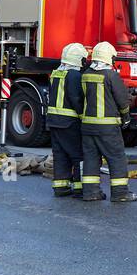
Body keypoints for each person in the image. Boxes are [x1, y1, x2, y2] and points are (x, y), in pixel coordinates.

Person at [80, 41, 137, 203]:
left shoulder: (85, 74)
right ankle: (120, 193)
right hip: (108, 127)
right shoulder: (111, 75)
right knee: (116, 157)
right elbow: (122, 100)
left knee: (91, 159)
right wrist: (126, 117)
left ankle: (90, 192)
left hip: (88, 126)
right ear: (109, 58)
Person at [46, 42, 87, 198]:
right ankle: (80, 187)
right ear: (79, 60)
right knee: (78, 155)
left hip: (54, 121)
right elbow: (76, 98)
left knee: (60, 154)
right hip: (69, 122)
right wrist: (83, 117)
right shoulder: (75, 75)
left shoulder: (56, 73)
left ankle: (61, 187)